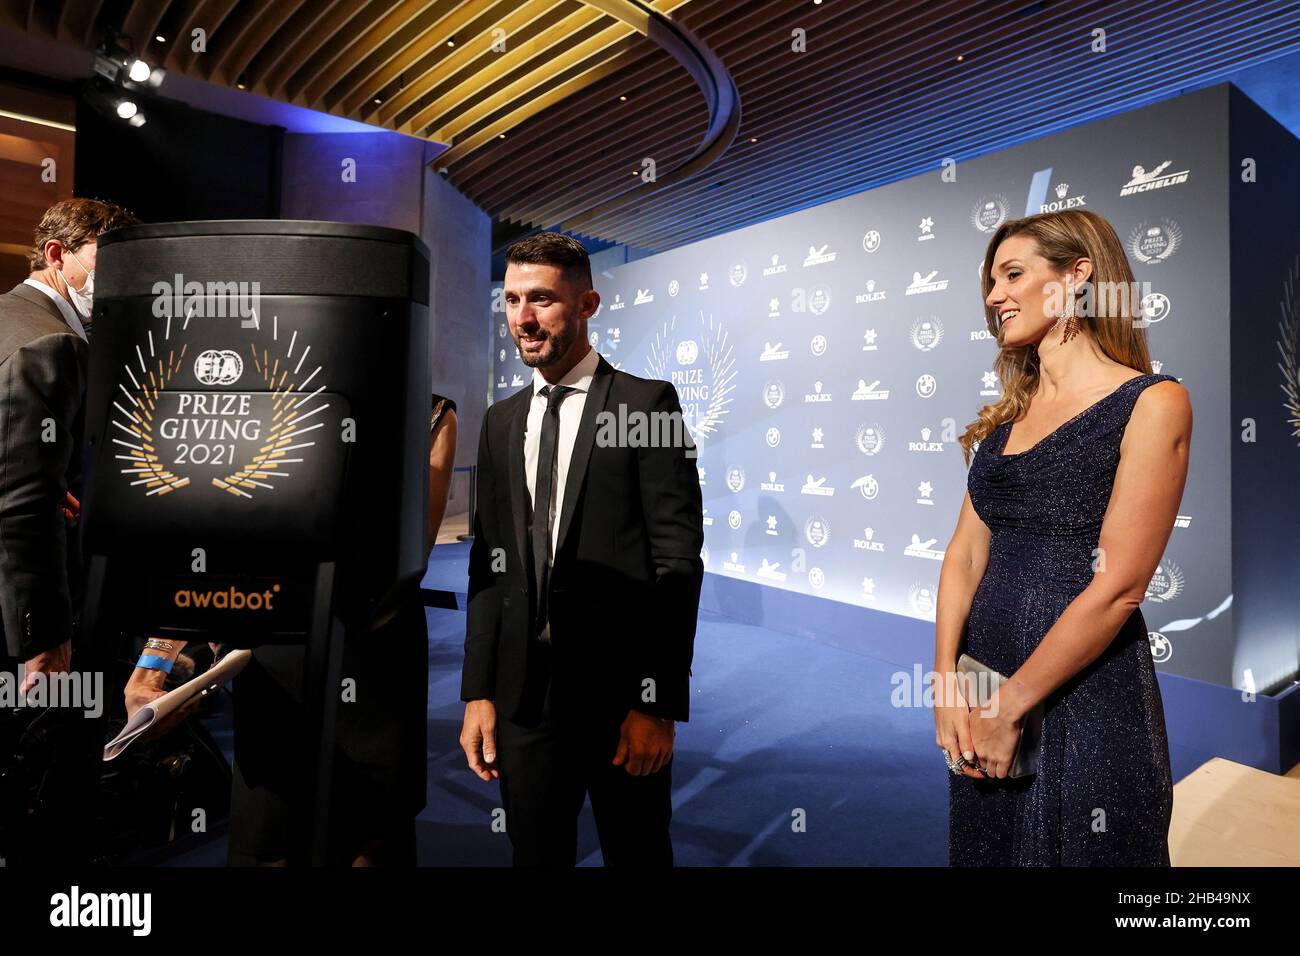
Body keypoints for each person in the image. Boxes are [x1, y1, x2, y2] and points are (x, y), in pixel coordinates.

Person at [933, 209, 1192, 866]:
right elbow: (964, 556)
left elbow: (1120, 586)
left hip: (1086, 697)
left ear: (1078, 277)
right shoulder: (1004, 421)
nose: (994, 296)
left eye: (1013, 274)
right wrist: (945, 685)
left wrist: (1011, 706)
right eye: (992, 281)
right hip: (984, 683)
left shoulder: (1152, 402)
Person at [123, 393, 458, 866]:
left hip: (374, 655)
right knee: (267, 842)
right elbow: (203, 538)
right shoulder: (251, 401)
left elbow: (405, 558)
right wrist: (154, 663)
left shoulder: (426, 412)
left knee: (370, 843)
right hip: (274, 659)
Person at [459, 232, 703, 866]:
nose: (523, 319)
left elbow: (676, 567)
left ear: (588, 303)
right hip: (523, 697)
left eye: (542, 299)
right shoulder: (501, 420)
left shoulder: (646, 404)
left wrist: (654, 702)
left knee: (638, 854)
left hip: (619, 695)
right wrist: (478, 692)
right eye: (511, 300)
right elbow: (489, 564)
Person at [0, 198, 138, 863]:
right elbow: (24, 502)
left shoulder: (13, 322)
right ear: (58, 254)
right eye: (112, 264)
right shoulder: (48, 340)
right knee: (57, 800)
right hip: (46, 626)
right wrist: (46, 641)